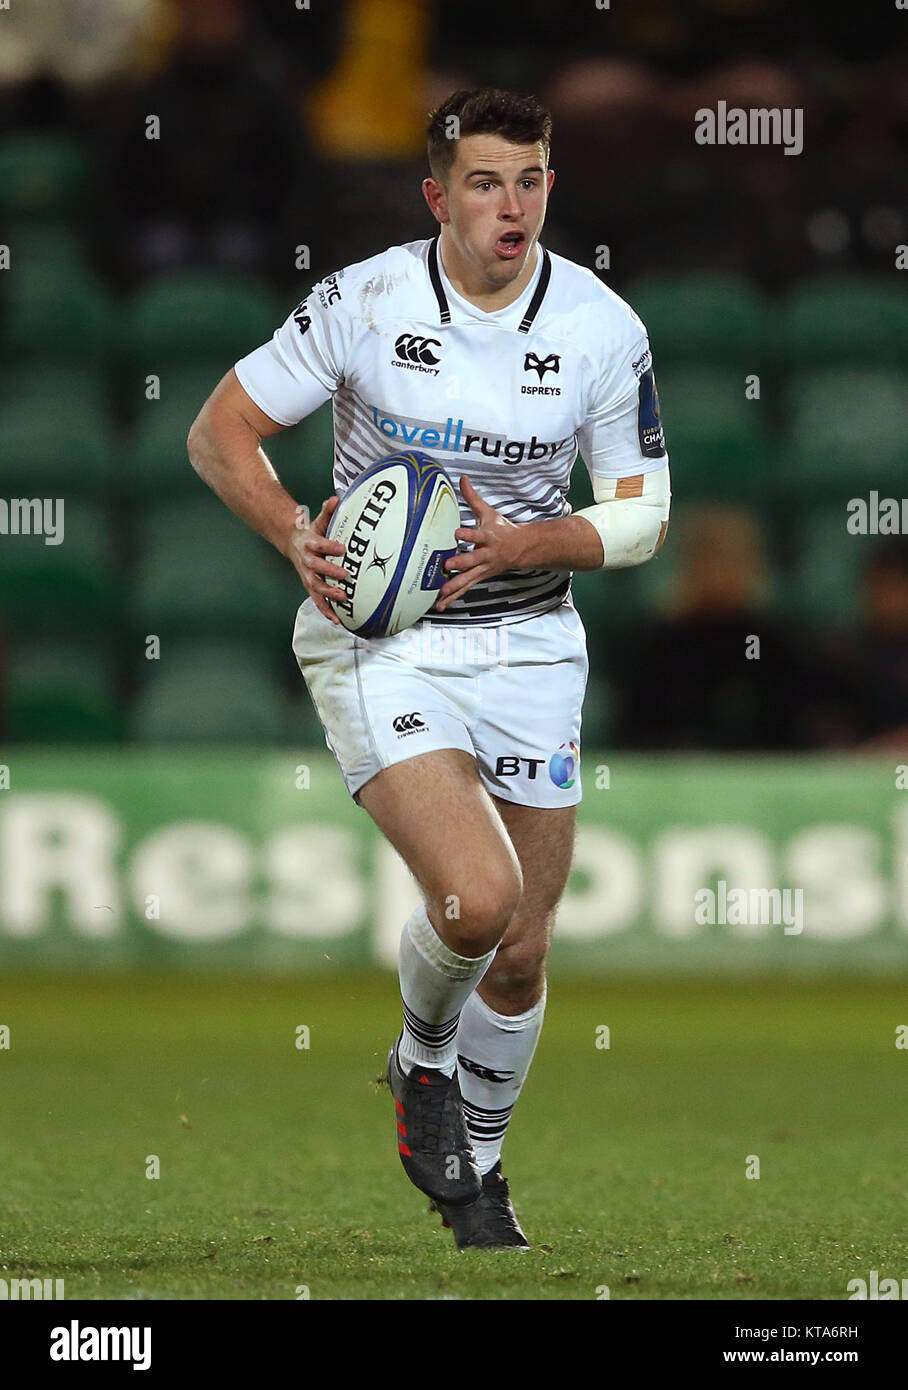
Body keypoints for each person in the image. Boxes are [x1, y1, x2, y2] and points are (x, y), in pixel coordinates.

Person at [187, 88, 671, 1250]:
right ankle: (422, 1066)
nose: (512, 205)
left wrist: (526, 541)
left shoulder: (602, 326)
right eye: (486, 181)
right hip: (380, 632)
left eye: (532, 179)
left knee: (523, 948)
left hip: (531, 634)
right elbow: (220, 432)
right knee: (476, 897)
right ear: (436, 196)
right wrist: (292, 531)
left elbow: (643, 514)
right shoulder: (364, 298)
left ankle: (483, 1174)